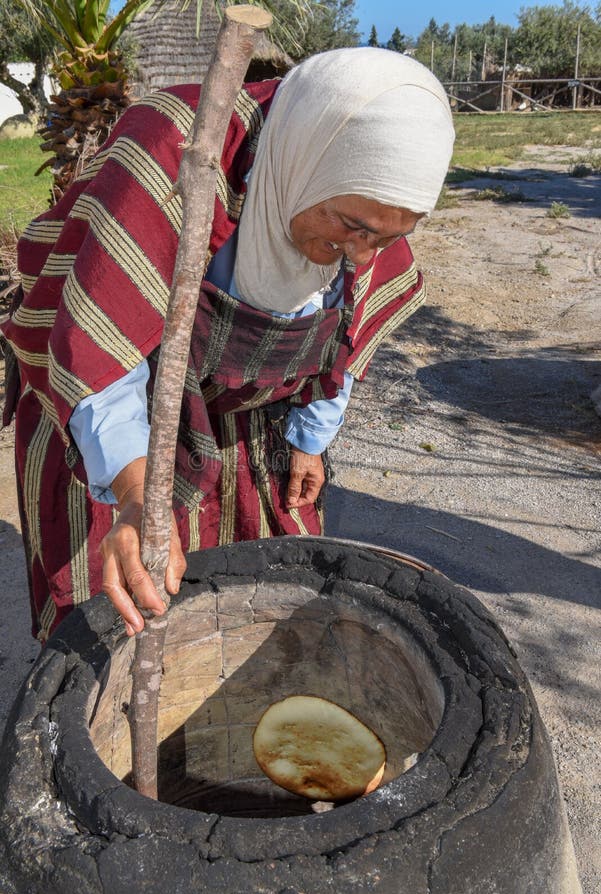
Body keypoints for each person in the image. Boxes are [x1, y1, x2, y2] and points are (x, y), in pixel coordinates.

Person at [2, 47, 454, 642]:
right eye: (354, 229)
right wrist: (136, 500)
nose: (365, 255)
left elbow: (346, 330)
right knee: (113, 615)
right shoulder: (177, 152)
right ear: (299, 165)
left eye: (390, 236)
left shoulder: (365, 189)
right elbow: (100, 345)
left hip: (246, 420)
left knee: (256, 610)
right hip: (118, 413)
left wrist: (311, 439)